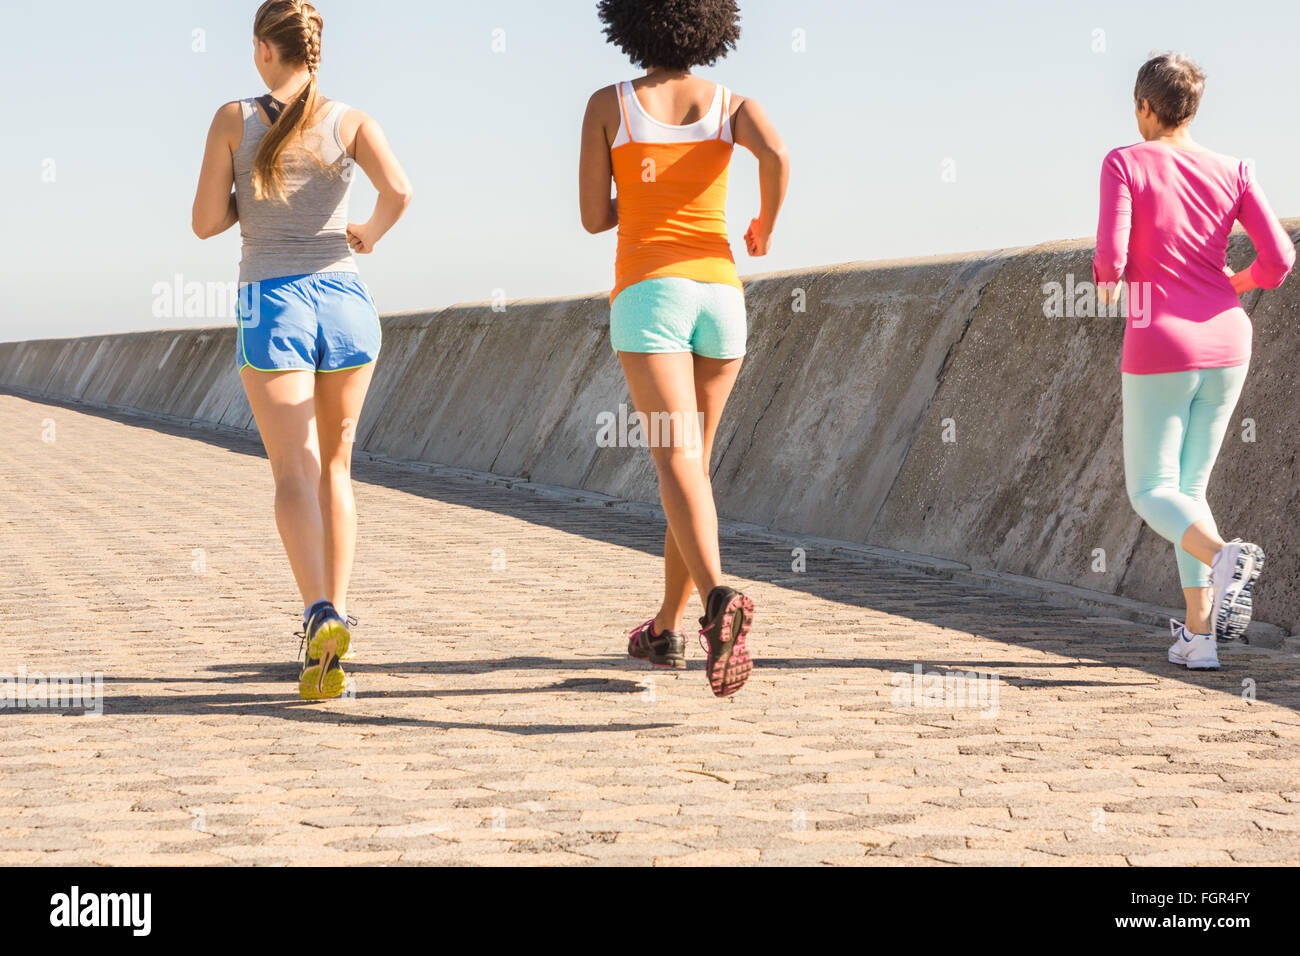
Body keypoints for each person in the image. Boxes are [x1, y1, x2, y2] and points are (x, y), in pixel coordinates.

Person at [191, 0, 413, 699]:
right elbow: (400, 190)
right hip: (347, 303)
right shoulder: (351, 120)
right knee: (336, 471)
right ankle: (337, 619)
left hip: (272, 301)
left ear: (264, 48)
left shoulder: (234, 118)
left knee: (293, 470)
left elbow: (203, 224)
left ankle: (317, 611)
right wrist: (369, 233)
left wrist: (246, 200)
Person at [579, 0, 789, 696]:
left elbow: (592, 218)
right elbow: (778, 155)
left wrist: (638, 201)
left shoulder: (609, 104)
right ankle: (665, 628)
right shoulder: (733, 104)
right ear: (712, 25)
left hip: (651, 295)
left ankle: (718, 601)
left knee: (675, 463)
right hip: (721, 297)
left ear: (629, 22)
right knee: (691, 470)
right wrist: (761, 225)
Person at [1094, 53, 1294, 671]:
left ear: (1144, 107)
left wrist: (1108, 282)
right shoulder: (1234, 169)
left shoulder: (1125, 161)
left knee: (1150, 490)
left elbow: (1110, 258)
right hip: (1229, 340)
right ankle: (1199, 638)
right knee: (1188, 488)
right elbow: (1280, 260)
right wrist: (1236, 282)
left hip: (1161, 341)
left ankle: (1225, 555)